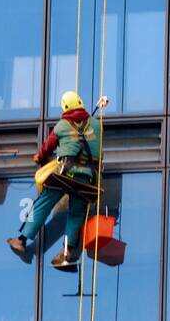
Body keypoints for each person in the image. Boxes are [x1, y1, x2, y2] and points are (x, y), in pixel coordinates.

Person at [7, 90, 102, 270]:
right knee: (76, 213)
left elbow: (46, 149)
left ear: (65, 107)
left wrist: (38, 158)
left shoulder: (61, 126)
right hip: (89, 178)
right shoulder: (97, 125)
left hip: (67, 174)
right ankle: (67, 252)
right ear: (80, 103)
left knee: (43, 203)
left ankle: (22, 239)